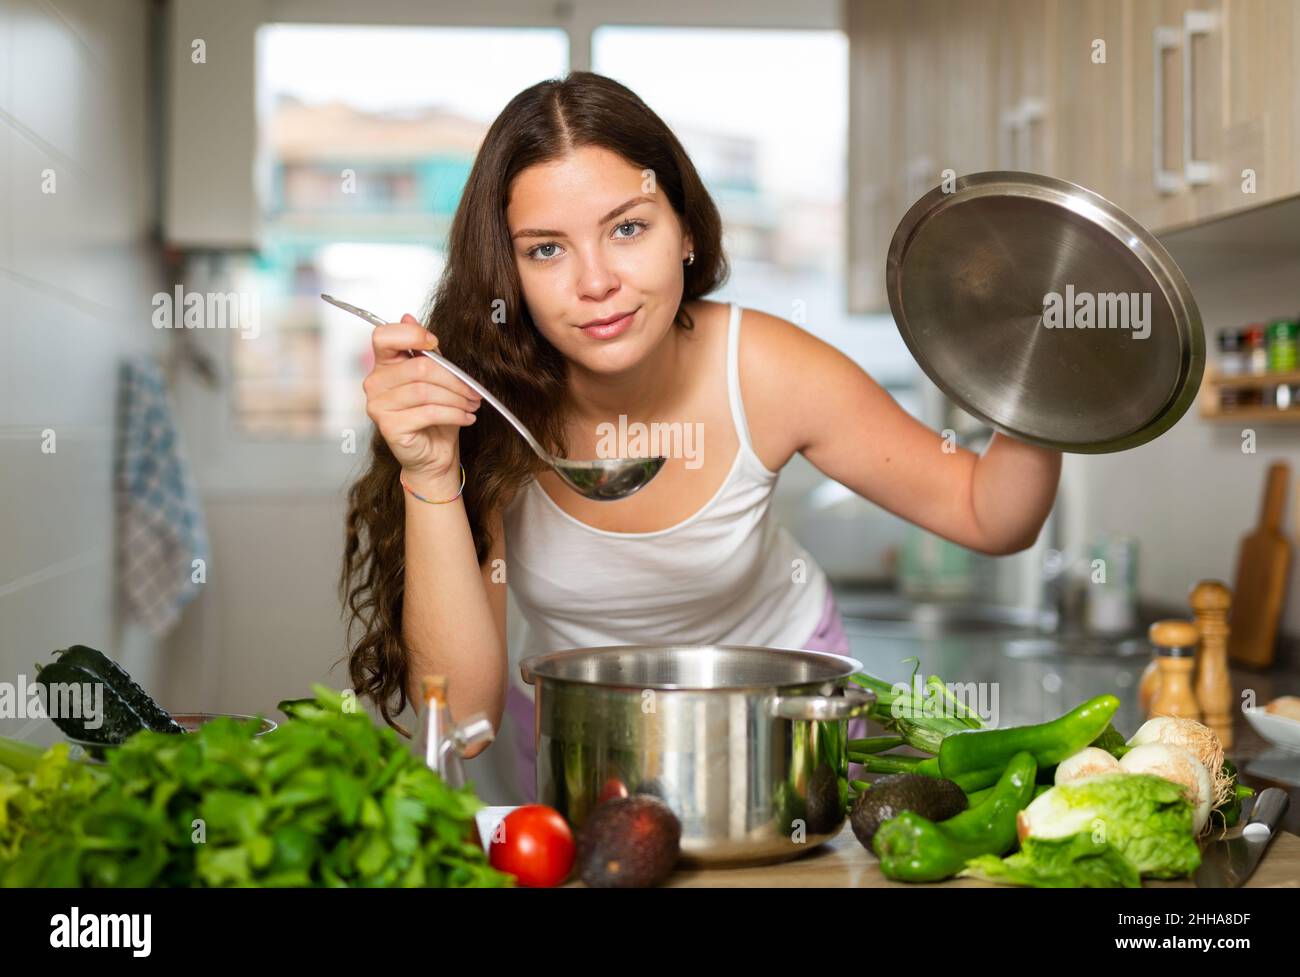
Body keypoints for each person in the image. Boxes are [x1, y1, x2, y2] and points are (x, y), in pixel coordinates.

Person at [340, 71, 1061, 803]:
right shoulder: (485, 410)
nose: (596, 282)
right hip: (581, 744)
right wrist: (430, 474)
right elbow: (462, 717)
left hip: (785, 727)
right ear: (510, 272)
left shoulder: (767, 370)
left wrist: (1049, 369)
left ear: (684, 230)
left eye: (628, 228)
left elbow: (988, 512)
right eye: (547, 250)